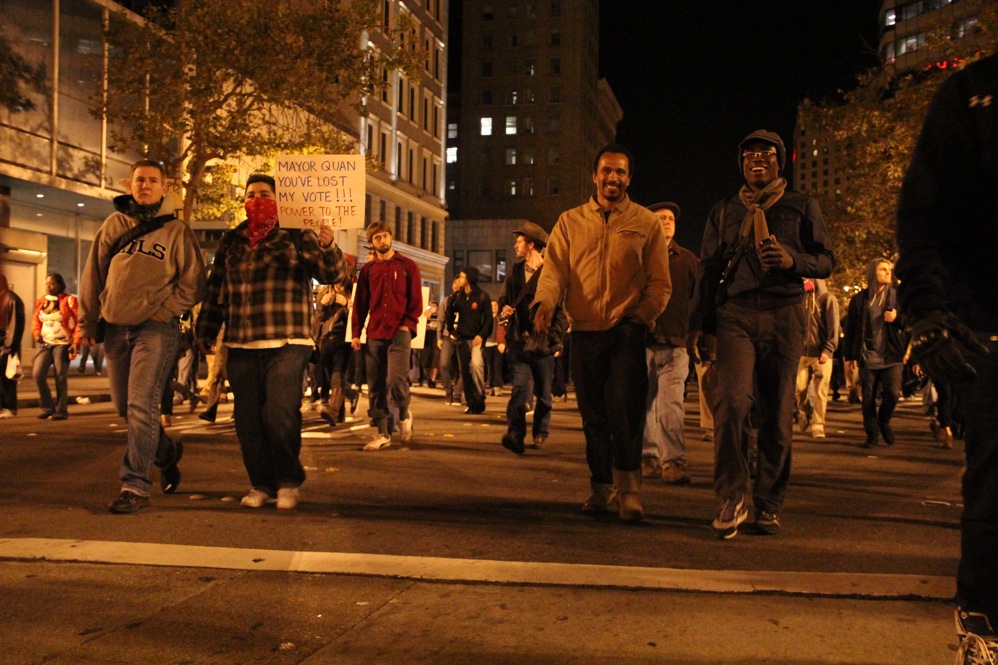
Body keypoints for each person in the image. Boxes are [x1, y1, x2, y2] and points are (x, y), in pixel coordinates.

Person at [894, 51, 998, 663]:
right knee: (994, 488)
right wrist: (928, 311)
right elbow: (922, 212)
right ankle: (984, 630)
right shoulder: (971, 93)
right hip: (987, 322)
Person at [690, 130, 835, 539]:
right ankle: (731, 496)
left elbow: (827, 261)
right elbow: (707, 268)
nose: (757, 159)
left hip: (786, 313)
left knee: (777, 412)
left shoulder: (802, 205)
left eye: (766, 154)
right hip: (736, 314)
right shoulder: (724, 210)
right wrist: (698, 324)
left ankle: (769, 503)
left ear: (779, 161)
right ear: (741, 163)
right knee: (732, 403)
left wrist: (794, 260)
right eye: (749, 153)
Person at [533, 144, 671, 522]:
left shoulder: (646, 223)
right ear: (595, 176)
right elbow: (554, 272)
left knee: (626, 414)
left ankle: (629, 491)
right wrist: (545, 304)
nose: (613, 178)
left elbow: (660, 282)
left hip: (628, 330)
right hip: (586, 332)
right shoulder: (570, 222)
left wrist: (641, 317)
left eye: (621, 172)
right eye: (607, 171)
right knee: (593, 415)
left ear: (629, 178)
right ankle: (600, 487)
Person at [196, 174, 348, 509]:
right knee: (248, 420)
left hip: (288, 341)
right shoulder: (232, 240)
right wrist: (206, 330)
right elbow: (215, 287)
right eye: (251, 195)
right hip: (241, 343)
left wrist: (327, 245)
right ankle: (261, 483)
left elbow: (332, 275)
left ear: (279, 201)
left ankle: (288, 480)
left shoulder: (296, 234)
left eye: (265, 194)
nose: (257, 200)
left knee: (279, 414)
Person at [76, 158, 207, 514]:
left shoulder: (177, 231)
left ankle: (134, 485)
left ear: (165, 187)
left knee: (141, 405)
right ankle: (166, 452)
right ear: (129, 185)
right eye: (139, 180)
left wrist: (163, 311)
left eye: (152, 180)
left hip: (156, 328)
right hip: (116, 327)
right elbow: (93, 276)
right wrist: (87, 324)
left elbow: (194, 284)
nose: (145, 185)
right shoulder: (113, 225)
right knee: (125, 407)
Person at [350, 221, 422, 450]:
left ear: (391, 237)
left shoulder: (408, 266)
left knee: (395, 379)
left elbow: (416, 301)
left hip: (400, 333)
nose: (382, 240)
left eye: (384, 236)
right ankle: (383, 433)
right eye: (377, 238)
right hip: (375, 334)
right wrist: (355, 333)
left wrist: (407, 325)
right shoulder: (368, 271)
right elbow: (360, 304)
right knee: (375, 385)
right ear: (371, 243)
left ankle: (403, 413)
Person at [640, 202, 699, 485]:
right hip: (643, 342)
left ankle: (673, 461)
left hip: (676, 343)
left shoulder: (687, 260)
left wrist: (696, 336)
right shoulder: (638, 257)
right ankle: (647, 457)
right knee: (644, 403)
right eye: (661, 217)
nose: (667, 221)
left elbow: (699, 300)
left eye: (671, 218)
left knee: (671, 405)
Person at [499, 221, 567, 456]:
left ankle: (541, 432)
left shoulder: (552, 272)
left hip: (543, 343)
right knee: (519, 389)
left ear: (530, 245)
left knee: (544, 394)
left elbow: (560, 311)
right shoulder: (515, 272)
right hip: (519, 341)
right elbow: (504, 300)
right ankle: (515, 435)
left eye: (519, 241)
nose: (515, 245)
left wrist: (555, 340)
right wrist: (505, 309)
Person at [842, 259, 907, 449]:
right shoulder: (860, 299)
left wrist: (897, 319)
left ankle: (883, 421)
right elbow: (851, 329)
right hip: (868, 356)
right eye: (883, 269)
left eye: (890, 270)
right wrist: (849, 356)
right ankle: (872, 435)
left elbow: (908, 322)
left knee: (893, 394)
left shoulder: (897, 297)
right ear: (873, 273)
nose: (888, 273)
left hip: (891, 355)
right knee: (867, 398)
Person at [794, 279, 839, 439]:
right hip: (801, 353)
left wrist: (828, 349)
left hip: (821, 354)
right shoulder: (799, 297)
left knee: (821, 392)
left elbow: (833, 326)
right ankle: (804, 411)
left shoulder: (827, 298)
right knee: (799, 389)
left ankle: (818, 424)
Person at [31, 273, 78, 421]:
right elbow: (35, 320)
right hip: (45, 344)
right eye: (47, 283)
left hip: (62, 344)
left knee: (60, 376)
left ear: (59, 285)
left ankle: (61, 410)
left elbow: (78, 322)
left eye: (51, 283)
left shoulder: (69, 300)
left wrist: (75, 342)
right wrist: (36, 333)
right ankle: (47, 407)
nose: (48, 286)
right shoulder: (42, 302)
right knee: (37, 374)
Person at [446, 267, 492, 414]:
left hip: (476, 339)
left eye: (462, 277)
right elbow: (449, 313)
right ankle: (471, 402)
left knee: (476, 365)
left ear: (469, 279)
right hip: (462, 338)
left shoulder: (482, 296)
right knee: (465, 370)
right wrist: (452, 330)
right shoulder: (457, 296)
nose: (459, 279)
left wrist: (481, 335)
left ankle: (480, 396)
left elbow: (489, 319)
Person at [315, 283, 353, 426]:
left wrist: (347, 304)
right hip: (325, 339)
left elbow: (356, 315)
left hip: (343, 339)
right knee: (331, 376)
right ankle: (340, 413)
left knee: (338, 375)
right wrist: (322, 304)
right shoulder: (324, 292)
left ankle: (333, 411)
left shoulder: (351, 291)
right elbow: (318, 317)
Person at [0, 273, 26, 419]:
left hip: (8, 343)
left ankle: (9, 406)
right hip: (4, 342)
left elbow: (16, 324)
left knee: (8, 376)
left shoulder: (10, 299)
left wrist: (10, 346)